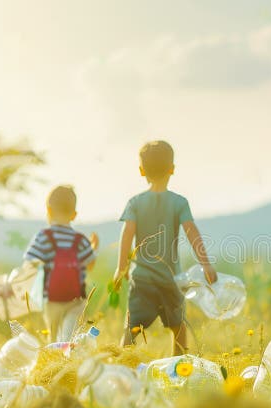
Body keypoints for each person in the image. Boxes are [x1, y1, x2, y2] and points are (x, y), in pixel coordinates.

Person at [115, 140, 217, 353]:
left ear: (142, 171)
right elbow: (192, 233)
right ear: (172, 169)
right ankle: (179, 368)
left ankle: (122, 366)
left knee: (131, 328)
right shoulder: (179, 202)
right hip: (171, 279)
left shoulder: (135, 203)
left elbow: (127, 235)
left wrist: (121, 266)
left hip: (142, 278)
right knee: (178, 327)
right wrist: (205, 264)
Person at [24, 185, 98, 342]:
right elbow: (90, 264)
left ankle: (57, 360)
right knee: (70, 337)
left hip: (52, 300)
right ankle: (70, 357)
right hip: (76, 300)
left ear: (48, 211)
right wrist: (93, 248)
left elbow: (30, 262)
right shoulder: (80, 240)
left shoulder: (44, 237)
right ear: (74, 215)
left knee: (53, 339)